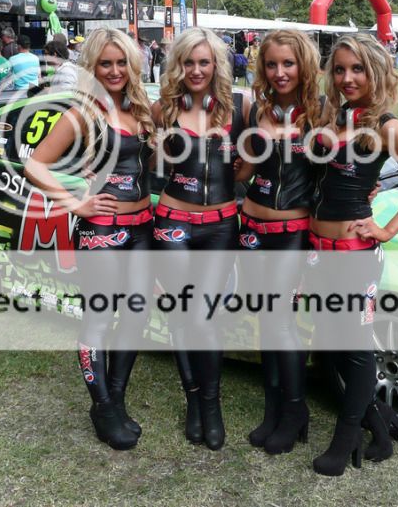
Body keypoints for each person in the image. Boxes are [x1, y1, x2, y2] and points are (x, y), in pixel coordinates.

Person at [25, 28, 155, 451]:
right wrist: (76, 205)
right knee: (100, 318)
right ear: (92, 68)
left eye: (121, 63)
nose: (115, 71)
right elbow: (35, 164)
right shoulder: (83, 112)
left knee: (135, 314)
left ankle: (115, 399)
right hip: (101, 229)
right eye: (106, 63)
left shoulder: (142, 110)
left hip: (141, 229)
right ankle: (102, 406)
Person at [309, 33, 398, 476]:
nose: (347, 78)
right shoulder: (335, 115)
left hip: (355, 253)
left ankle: (345, 445)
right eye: (340, 69)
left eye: (357, 69)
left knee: (356, 351)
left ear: (376, 71)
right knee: (331, 347)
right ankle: (380, 427)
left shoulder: (387, 126)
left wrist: (387, 228)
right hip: (319, 250)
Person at [151, 27, 251, 451]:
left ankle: (212, 405)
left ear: (217, 66)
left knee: (204, 317)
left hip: (221, 225)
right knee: (180, 315)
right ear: (178, 65)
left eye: (204, 62)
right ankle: (194, 402)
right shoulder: (163, 110)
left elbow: (251, 163)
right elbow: (130, 153)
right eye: (188, 62)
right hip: (172, 221)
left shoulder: (241, 106)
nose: (196, 70)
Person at [233, 30, 321, 456]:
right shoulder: (257, 111)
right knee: (265, 322)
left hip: (292, 233)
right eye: (272, 64)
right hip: (250, 227)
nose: (280, 72)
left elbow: (347, 166)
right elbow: (245, 170)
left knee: (282, 322)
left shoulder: (322, 113)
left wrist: (365, 189)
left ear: (303, 64)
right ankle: (272, 412)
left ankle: (294, 411)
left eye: (288, 63)